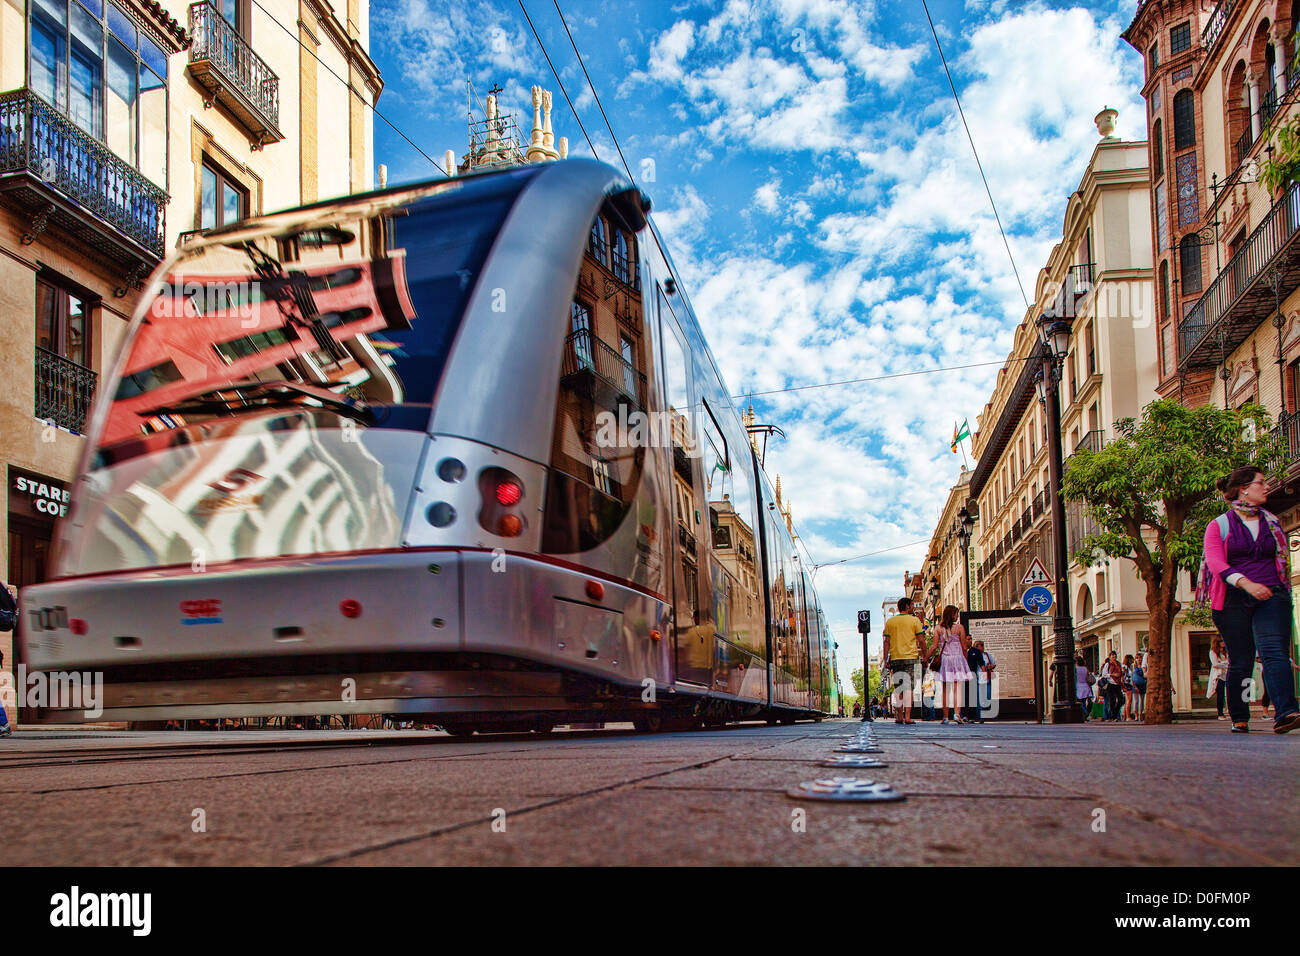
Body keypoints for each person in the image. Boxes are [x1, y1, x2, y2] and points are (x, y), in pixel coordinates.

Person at [1202, 466, 1300, 734]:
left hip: (1271, 596)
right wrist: (1246, 583)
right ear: (1244, 489)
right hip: (1233, 598)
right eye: (1261, 482)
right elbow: (1216, 563)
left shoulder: (1272, 522)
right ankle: (1240, 714)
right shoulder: (1219, 526)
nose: (1267, 487)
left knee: (1274, 653)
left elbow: (1279, 559)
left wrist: (1275, 588)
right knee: (1242, 660)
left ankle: (1286, 712)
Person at [884, 597, 928, 725]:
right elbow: (921, 640)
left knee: (899, 689)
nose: (913, 607)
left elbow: (886, 642)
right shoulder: (914, 620)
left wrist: (886, 659)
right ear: (907, 607)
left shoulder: (890, 622)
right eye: (912, 605)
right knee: (908, 688)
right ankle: (908, 717)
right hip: (911, 658)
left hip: (896, 659)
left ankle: (899, 717)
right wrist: (925, 656)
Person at [932, 605, 973, 724]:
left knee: (945, 689)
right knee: (957, 688)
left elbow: (934, 646)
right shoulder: (959, 628)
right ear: (952, 614)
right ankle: (957, 714)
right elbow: (964, 647)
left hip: (945, 660)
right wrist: (965, 661)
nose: (957, 616)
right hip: (957, 659)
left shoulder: (938, 628)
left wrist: (926, 657)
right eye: (956, 613)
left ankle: (945, 717)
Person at [1208, 636, 1229, 719]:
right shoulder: (1213, 652)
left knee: (1229, 694)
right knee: (1220, 694)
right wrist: (1226, 664)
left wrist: (1223, 663)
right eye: (1221, 641)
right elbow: (1215, 664)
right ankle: (1220, 713)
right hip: (1219, 676)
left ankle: (1229, 711)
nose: (1223, 643)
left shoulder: (1225, 651)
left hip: (1227, 674)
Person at [1075, 655, 1093, 722]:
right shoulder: (1085, 668)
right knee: (1084, 702)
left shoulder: (1075, 669)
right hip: (1085, 686)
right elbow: (1087, 677)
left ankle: (1084, 713)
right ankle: (1085, 714)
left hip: (1078, 686)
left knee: (1080, 702)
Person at [1130, 650, 1147, 721]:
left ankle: (1141, 714)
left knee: (1142, 701)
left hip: (1143, 684)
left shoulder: (1144, 666)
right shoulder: (1133, 667)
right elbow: (1131, 677)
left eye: (1140, 658)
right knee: (1136, 701)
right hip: (1135, 685)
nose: (1139, 659)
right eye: (1137, 658)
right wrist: (1134, 685)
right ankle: (1136, 714)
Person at [1122, 654, 1136, 721]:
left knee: (1126, 701)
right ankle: (1128, 716)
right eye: (1132, 659)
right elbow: (1123, 676)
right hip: (1126, 684)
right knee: (1129, 701)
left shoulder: (1130, 667)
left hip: (1128, 684)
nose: (1133, 660)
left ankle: (1125, 716)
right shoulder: (1125, 667)